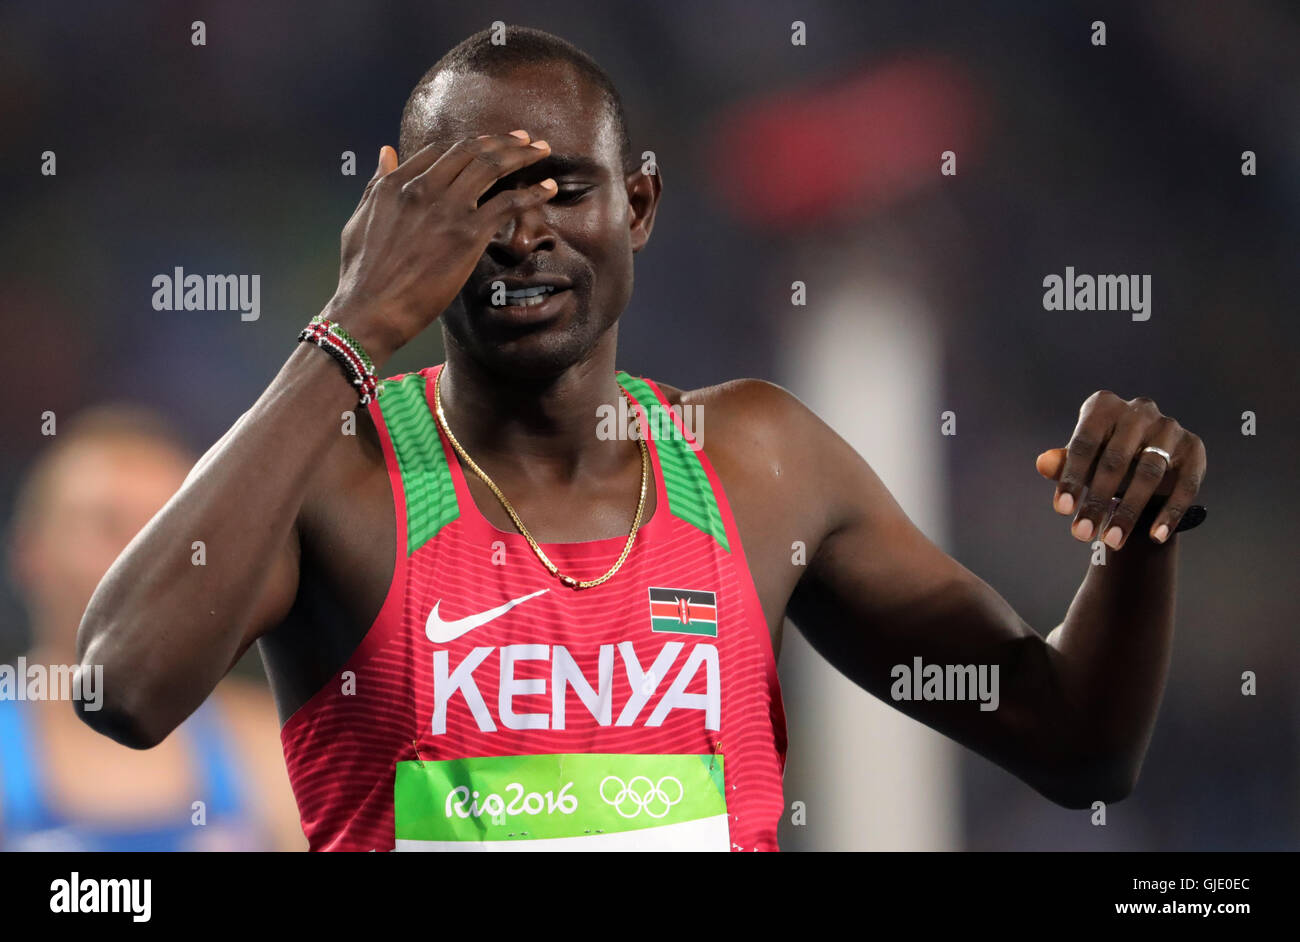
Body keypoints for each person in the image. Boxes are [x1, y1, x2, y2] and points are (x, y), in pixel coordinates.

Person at [74, 27, 1207, 851]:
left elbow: (1076, 747)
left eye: (563, 189)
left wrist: (1137, 544)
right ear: (396, 218)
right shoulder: (338, 471)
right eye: (473, 200)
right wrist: (352, 325)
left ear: (641, 208)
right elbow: (120, 687)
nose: (521, 235)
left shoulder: (756, 459)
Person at [4, 406, 304, 850]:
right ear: (31, 556)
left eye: (168, 529)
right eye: (109, 525)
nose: (145, 559)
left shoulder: (276, 755)